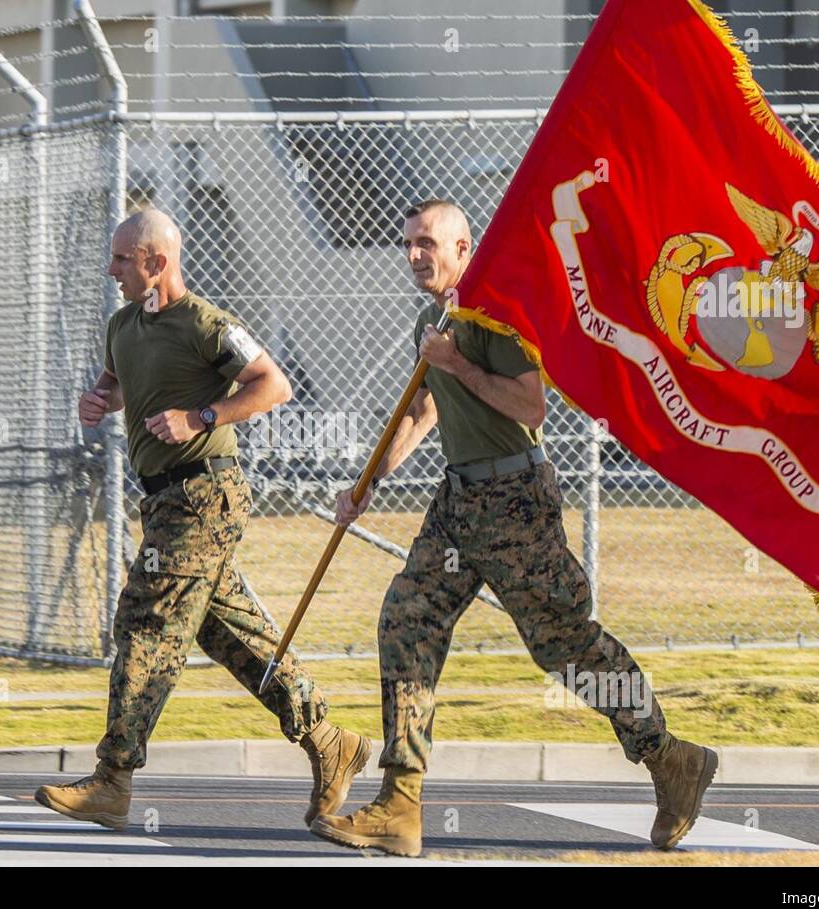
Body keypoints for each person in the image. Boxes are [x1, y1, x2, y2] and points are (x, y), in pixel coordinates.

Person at [309, 200, 717, 857]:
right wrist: (366, 483)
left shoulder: (494, 311)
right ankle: (400, 802)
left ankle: (671, 759)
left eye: (428, 244)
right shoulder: (431, 318)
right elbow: (419, 414)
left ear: (465, 248)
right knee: (407, 619)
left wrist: (460, 365)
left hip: (515, 499)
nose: (415, 255)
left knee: (564, 645)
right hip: (459, 498)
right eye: (408, 243)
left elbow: (531, 403)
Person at [35, 209, 370, 830]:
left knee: (145, 619)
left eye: (121, 260)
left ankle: (113, 779)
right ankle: (328, 739)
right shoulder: (122, 326)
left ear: (156, 263)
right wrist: (99, 402)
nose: (112, 271)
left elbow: (273, 384)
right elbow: (120, 386)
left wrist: (204, 417)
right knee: (226, 632)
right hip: (161, 499)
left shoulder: (206, 323)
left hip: (205, 495)